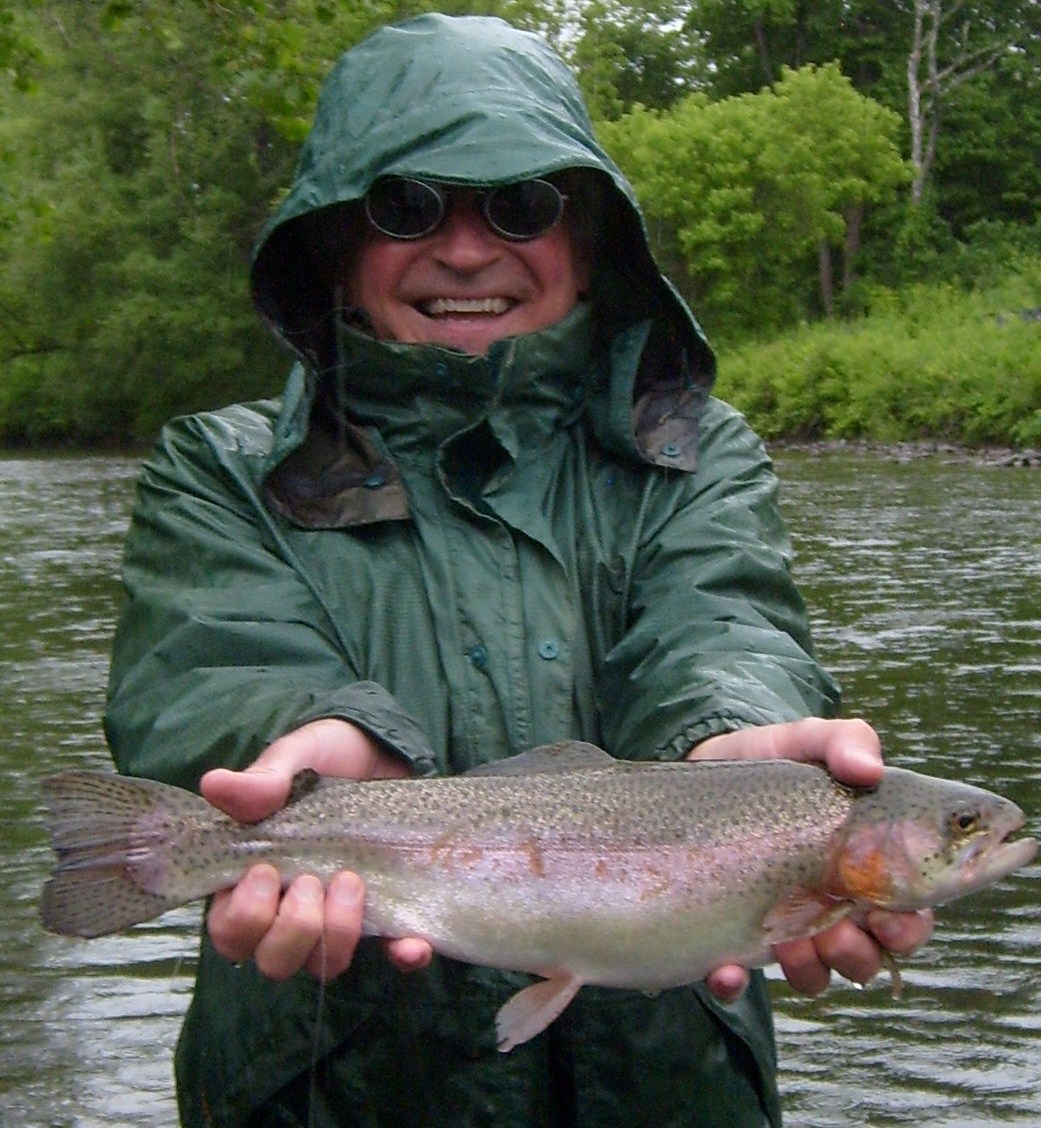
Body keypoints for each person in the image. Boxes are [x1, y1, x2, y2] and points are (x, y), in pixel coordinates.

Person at [104, 13, 932, 1127]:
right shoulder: (224, 466)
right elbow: (210, 667)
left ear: (589, 235)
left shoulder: (691, 452)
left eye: (520, 204)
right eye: (403, 207)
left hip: (666, 1084)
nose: (463, 249)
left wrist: (732, 740)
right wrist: (312, 758)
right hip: (327, 1088)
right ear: (335, 244)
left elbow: (722, 625)